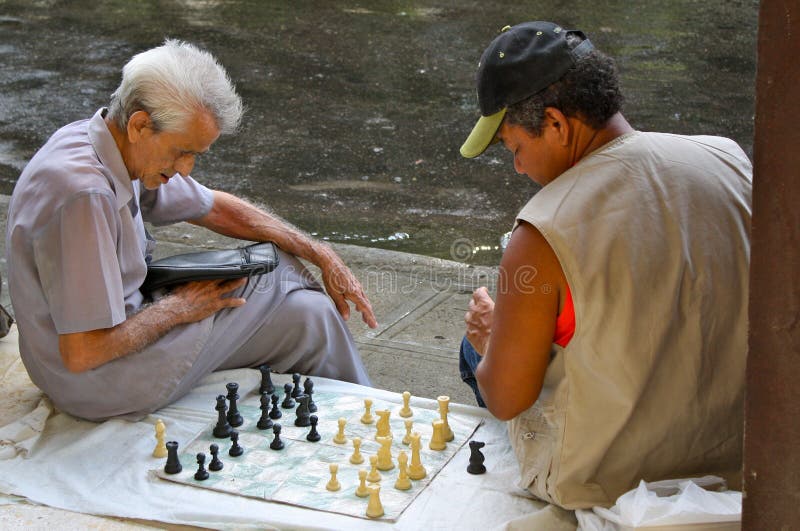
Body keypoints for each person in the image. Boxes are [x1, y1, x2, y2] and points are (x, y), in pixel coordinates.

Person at [458, 22, 751, 508]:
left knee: (475, 356)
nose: (518, 168)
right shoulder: (728, 158)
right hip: (734, 454)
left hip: (609, 481)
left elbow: (508, 399)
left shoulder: (540, 232)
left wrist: (490, 342)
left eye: (515, 149)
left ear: (555, 123)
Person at [6, 40, 378, 422]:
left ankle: (362, 416)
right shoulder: (84, 195)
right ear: (139, 125)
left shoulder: (107, 141)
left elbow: (213, 206)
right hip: (97, 382)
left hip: (108, 348)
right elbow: (83, 352)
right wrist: (179, 310)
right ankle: (373, 417)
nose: (186, 168)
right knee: (282, 282)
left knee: (304, 309)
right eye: (182, 151)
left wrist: (319, 253)